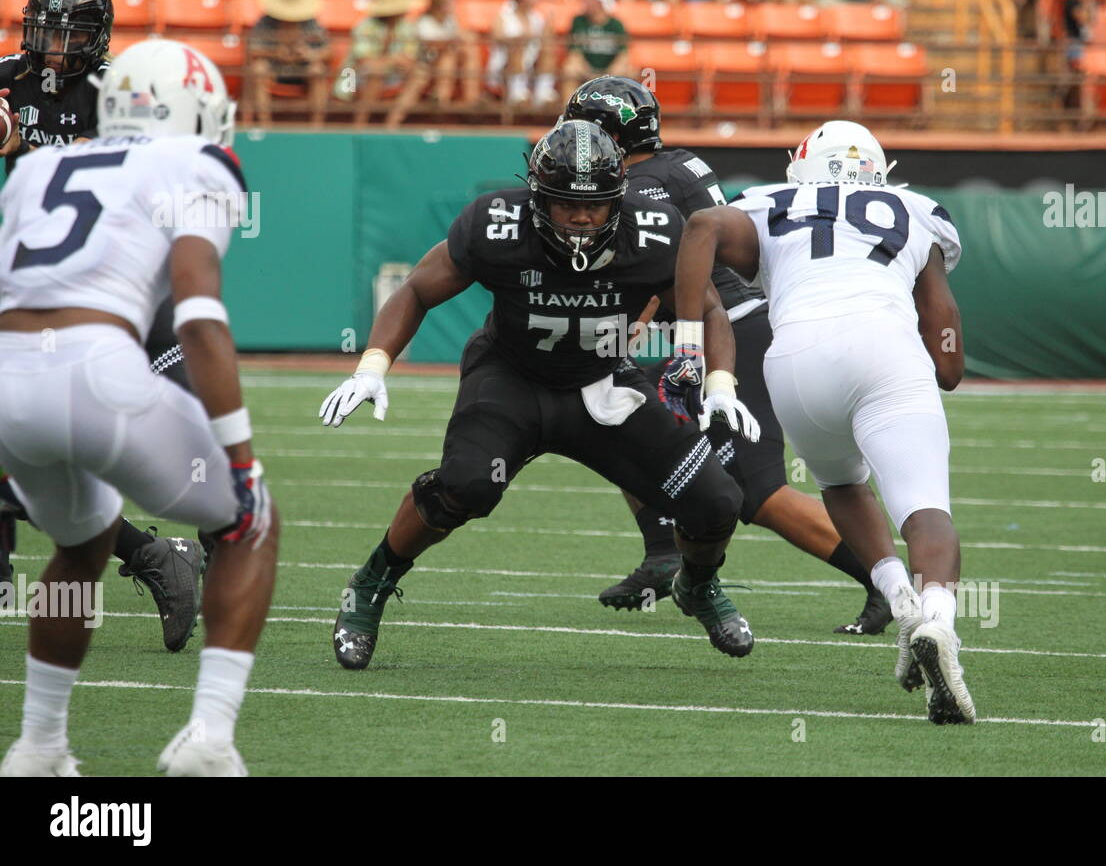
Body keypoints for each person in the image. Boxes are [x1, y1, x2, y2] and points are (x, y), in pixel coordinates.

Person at [323, 120, 760, 667]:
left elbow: (712, 310)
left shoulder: (654, 234)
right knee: (464, 487)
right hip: (511, 379)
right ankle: (372, 581)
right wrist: (372, 365)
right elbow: (416, 290)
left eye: (596, 205)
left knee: (717, 500)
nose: (581, 217)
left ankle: (696, 584)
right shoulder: (496, 223)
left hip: (603, 384)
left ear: (619, 199)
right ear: (536, 197)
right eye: (565, 204)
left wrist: (720, 382)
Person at [0, 38, 279, 776]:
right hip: (98, 370)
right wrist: (242, 457)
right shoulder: (197, 162)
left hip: (7, 383)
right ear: (197, 112)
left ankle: (39, 746)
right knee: (253, 522)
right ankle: (211, 740)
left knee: (81, 541)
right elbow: (196, 314)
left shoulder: (37, 165)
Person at [563, 77, 892, 635]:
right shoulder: (677, 165)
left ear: (611, 134)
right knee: (618, 412)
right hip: (740, 329)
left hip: (731, 338)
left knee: (759, 491)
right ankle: (663, 553)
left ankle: (886, 582)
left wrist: (628, 334)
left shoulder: (638, 187)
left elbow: (655, 270)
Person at [672, 120, 975, 725]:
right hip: (886, 347)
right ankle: (937, 620)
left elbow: (702, 225)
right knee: (925, 510)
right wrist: (946, 366)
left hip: (795, 358)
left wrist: (688, 345)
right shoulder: (915, 207)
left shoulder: (769, 200)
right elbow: (938, 314)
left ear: (802, 163)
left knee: (840, 484)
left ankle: (897, 600)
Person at [0, 0, 204, 652]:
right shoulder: (7, 79)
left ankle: (177, 551)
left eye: (71, 36)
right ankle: (148, 556)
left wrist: (22, 144)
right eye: (46, 33)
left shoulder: (124, 99)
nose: (55, 49)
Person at [386, 0, 481, 124]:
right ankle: (442, 100)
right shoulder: (424, 22)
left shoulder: (449, 20)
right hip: (422, 64)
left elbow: (457, 39)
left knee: (466, 52)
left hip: (436, 64)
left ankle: (469, 100)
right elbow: (431, 45)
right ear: (440, 5)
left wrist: (460, 39)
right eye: (450, 2)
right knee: (447, 58)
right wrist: (454, 40)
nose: (453, 5)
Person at [247, 0, 331, 127]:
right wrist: (275, 53)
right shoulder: (266, 22)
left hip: (302, 68)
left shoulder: (310, 22)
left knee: (318, 70)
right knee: (258, 69)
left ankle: (316, 125)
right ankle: (265, 123)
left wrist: (310, 54)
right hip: (274, 67)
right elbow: (253, 49)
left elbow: (327, 50)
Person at [334, 0, 420, 127]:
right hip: (353, 77)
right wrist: (394, 59)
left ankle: (392, 123)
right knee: (376, 73)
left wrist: (397, 62)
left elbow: (409, 59)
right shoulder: (366, 26)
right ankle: (360, 123)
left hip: (393, 73)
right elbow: (365, 62)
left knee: (420, 73)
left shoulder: (407, 27)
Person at [487, 0, 557, 105]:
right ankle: (517, 95)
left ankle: (543, 95)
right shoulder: (503, 15)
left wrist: (548, 28)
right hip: (505, 66)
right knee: (517, 47)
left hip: (530, 66)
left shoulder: (537, 18)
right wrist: (520, 38)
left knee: (547, 51)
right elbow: (496, 36)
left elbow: (545, 40)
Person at [562, 0, 630, 97]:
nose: (584, 1)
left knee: (627, 70)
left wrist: (607, 76)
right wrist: (589, 74)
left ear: (598, 0)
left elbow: (622, 56)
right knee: (570, 69)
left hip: (609, 72)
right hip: (585, 70)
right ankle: (569, 111)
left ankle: (623, 112)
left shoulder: (616, 25)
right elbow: (574, 54)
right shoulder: (578, 22)